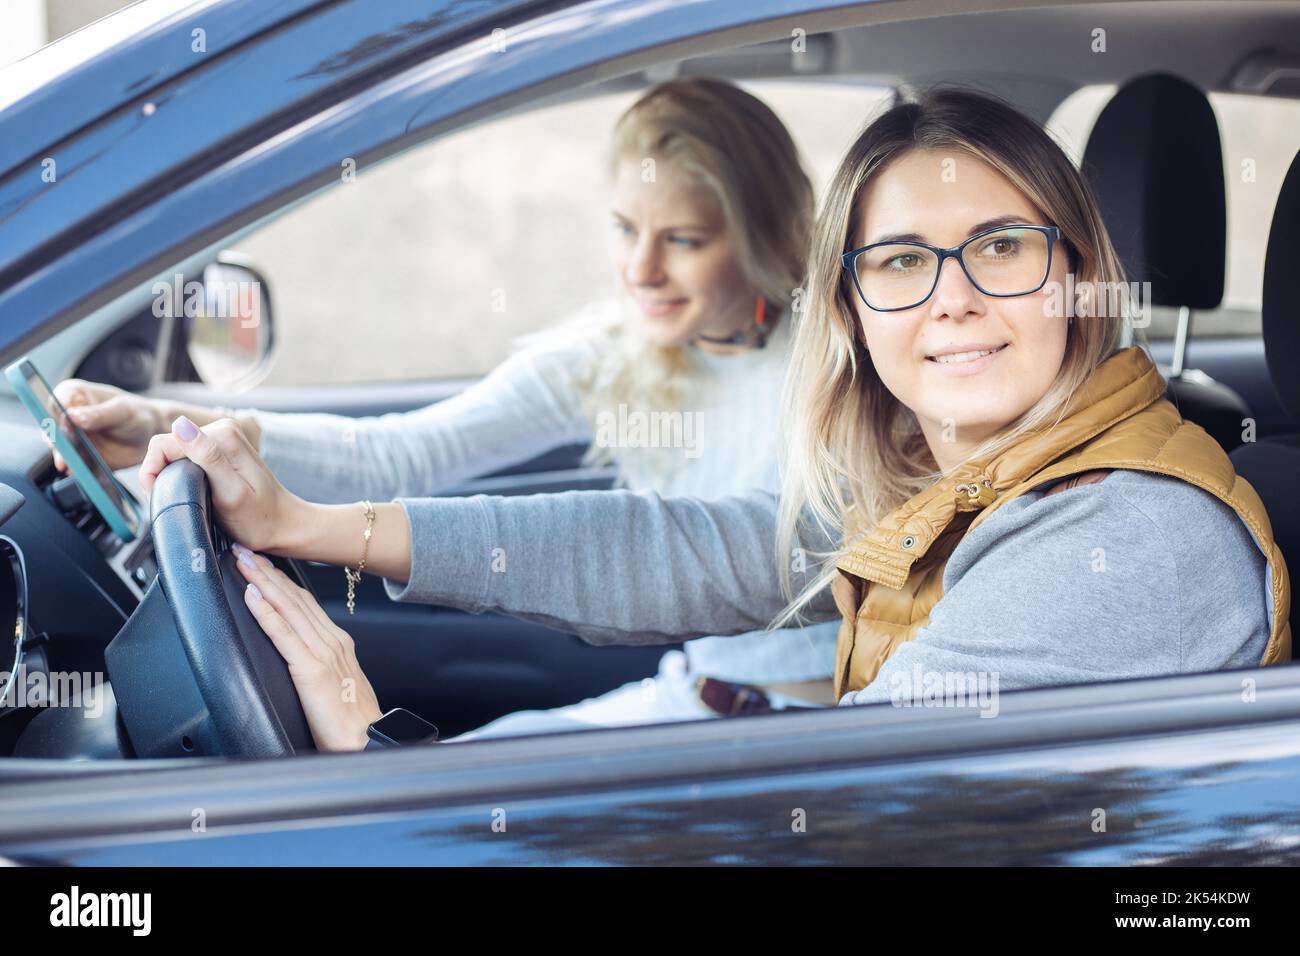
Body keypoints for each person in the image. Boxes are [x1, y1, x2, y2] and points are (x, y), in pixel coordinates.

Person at [138, 86, 1290, 753]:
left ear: (1079, 270)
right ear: (849, 303)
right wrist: (312, 521)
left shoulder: (1126, 535)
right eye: (899, 260)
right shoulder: (949, 472)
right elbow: (702, 544)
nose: (951, 295)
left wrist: (376, 760)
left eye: (1000, 247)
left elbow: (849, 808)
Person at [56, 77, 842, 737]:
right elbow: (405, 454)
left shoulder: (841, 365)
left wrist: (314, 526)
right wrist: (169, 426)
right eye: (625, 228)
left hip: (814, 733)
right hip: (690, 697)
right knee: (459, 776)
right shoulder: (615, 350)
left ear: (762, 232)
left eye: (686, 240)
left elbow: (734, 559)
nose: (640, 269)